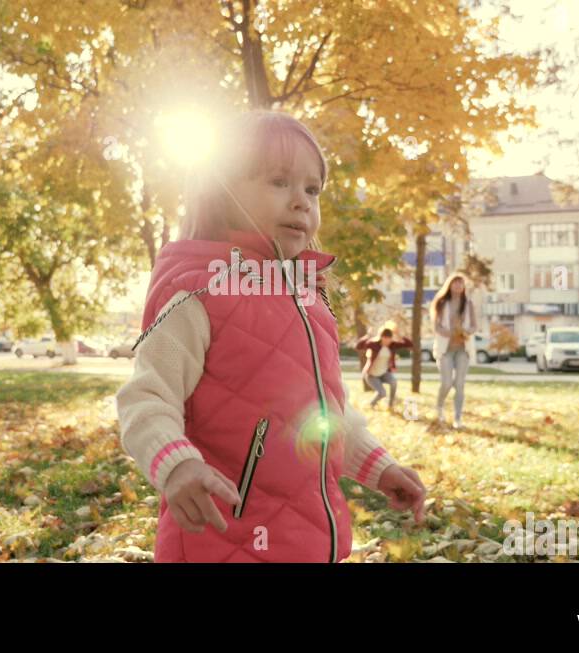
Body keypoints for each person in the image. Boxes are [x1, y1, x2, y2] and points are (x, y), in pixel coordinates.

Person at [115, 110, 426, 562]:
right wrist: (178, 465)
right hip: (219, 540)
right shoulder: (200, 293)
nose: (301, 201)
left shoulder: (309, 302)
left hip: (308, 540)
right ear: (222, 193)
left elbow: (326, 413)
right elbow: (144, 398)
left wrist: (380, 467)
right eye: (280, 182)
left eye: (312, 189)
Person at [430, 272, 477, 430]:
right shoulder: (442, 302)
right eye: (455, 282)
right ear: (449, 285)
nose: (458, 285)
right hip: (445, 349)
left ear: (464, 286)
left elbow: (474, 326)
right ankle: (440, 408)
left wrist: (465, 332)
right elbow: (436, 326)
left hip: (463, 349)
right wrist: (451, 333)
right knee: (447, 383)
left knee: (460, 384)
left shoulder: (468, 303)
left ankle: (458, 418)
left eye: (460, 283)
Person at [356, 326, 413, 410]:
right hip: (371, 375)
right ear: (381, 337)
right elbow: (358, 346)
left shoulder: (393, 345)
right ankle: (371, 404)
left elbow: (410, 344)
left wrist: (399, 334)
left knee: (394, 382)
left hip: (384, 373)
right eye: (385, 337)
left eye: (389, 338)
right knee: (382, 393)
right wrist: (367, 335)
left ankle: (390, 404)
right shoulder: (373, 344)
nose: (387, 340)